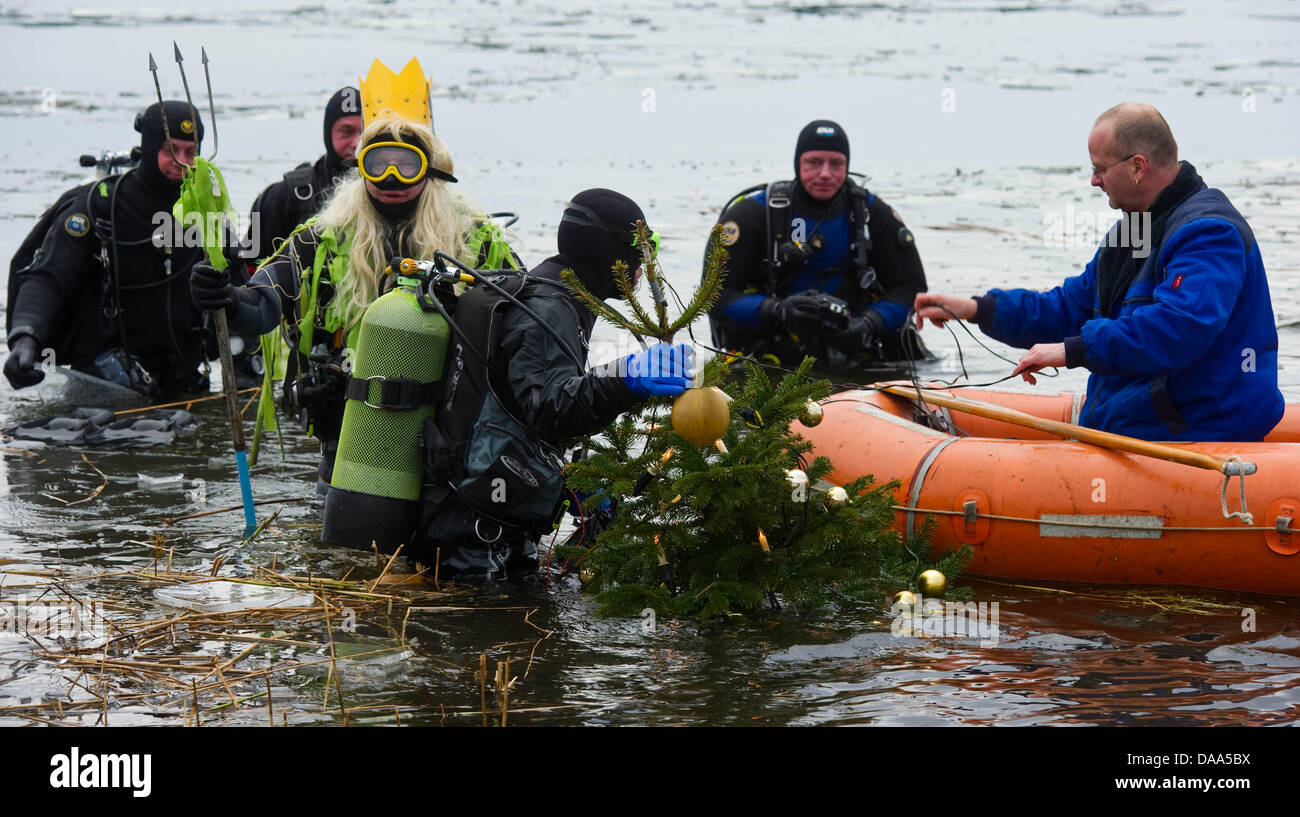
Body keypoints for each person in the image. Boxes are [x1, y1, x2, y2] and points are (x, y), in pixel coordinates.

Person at [189, 58, 522, 494]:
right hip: (348, 438)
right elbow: (264, 301)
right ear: (360, 166)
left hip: (447, 436)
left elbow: (524, 315)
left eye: (406, 164)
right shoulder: (322, 239)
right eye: (377, 162)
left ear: (432, 169)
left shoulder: (475, 240)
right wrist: (229, 300)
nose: (390, 178)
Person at [915, 102, 1283, 442]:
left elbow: (1177, 330)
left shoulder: (1208, 233)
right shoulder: (1132, 231)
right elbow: (1068, 308)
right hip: (1137, 428)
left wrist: (1074, 350)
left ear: (1138, 166)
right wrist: (979, 309)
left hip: (1195, 435)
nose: (1093, 180)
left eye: (1099, 169)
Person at [416, 189, 694, 582]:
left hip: (468, 513)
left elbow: (521, 413)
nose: (645, 266)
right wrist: (627, 378)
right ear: (605, 251)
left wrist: (577, 483)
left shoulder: (543, 291)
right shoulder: (548, 310)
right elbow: (548, 409)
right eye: (640, 250)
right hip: (475, 537)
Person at [6, 101, 211, 396]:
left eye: (190, 153)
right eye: (170, 151)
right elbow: (47, 278)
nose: (181, 162)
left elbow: (240, 288)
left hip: (182, 377)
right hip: (103, 381)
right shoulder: (100, 208)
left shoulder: (206, 216)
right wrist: (26, 337)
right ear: (150, 147)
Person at [707, 119, 928, 371]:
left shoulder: (871, 215)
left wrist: (869, 322)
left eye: (836, 163)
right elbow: (713, 295)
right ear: (797, 163)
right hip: (768, 360)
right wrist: (776, 311)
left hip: (857, 357)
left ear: (847, 165)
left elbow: (912, 288)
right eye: (814, 162)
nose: (825, 173)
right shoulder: (752, 216)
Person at [245, 86, 362, 265]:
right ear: (328, 133)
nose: (357, 143)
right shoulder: (283, 198)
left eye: (365, 131)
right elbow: (250, 275)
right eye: (346, 132)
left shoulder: (394, 195)